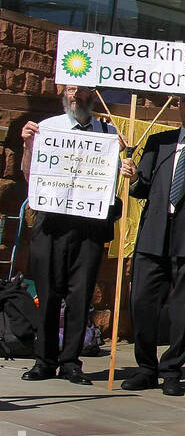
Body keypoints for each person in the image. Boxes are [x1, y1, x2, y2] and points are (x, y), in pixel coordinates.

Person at [19, 84, 122, 385]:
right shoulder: (46, 129)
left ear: (93, 94)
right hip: (51, 223)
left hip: (88, 227)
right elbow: (29, 175)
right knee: (48, 293)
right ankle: (44, 360)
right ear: (63, 92)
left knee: (80, 296)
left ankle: (70, 363)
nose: (75, 95)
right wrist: (27, 146)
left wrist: (124, 164)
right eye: (70, 89)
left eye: (81, 90)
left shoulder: (107, 134)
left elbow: (113, 180)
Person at [118, 96, 185, 396]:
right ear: (177, 105)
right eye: (184, 102)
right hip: (154, 232)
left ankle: (172, 368)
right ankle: (145, 367)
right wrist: (132, 176)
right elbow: (142, 187)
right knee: (142, 302)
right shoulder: (158, 143)